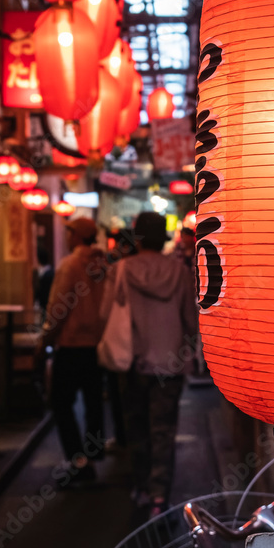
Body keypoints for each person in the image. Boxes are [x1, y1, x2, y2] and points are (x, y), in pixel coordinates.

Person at [102, 211, 197, 516]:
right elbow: (191, 321)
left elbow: (105, 315)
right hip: (168, 366)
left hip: (132, 362)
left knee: (136, 428)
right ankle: (159, 496)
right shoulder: (180, 272)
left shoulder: (120, 271)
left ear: (137, 238)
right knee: (163, 432)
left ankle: (141, 488)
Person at [42, 218, 107, 485]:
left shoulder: (70, 266)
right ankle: (91, 457)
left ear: (77, 236)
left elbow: (58, 308)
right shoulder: (103, 267)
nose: (66, 236)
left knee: (61, 403)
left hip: (70, 345)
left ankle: (77, 461)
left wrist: (45, 338)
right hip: (96, 345)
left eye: (69, 232)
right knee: (93, 403)